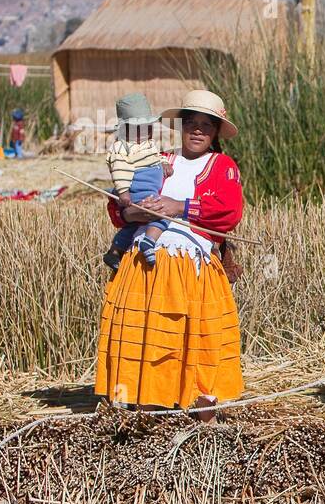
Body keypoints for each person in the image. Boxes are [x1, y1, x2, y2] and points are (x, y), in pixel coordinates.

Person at [94, 90, 245, 419]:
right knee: (143, 338)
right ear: (180, 126)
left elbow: (229, 212)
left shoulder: (222, 167)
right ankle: (144, 404)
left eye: (207, 125)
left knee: (188, 338)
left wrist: (180, 207)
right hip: (142, 264)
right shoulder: (157, 159)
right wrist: (136, 211)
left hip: (188, 266)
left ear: (217, 131)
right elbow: (120, 206)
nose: (197, 130)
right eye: (191, 123)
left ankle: (195, 404)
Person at [102, 93, 173, 270]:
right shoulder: (122, 147)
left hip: (149, 188)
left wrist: (164, 164)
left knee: (134, 224)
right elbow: (119, 170)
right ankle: (149, 241)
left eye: (148, 127)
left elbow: (156, 157)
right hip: (140, 188)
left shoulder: (148, 144)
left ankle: (115, 251)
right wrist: (124, 192)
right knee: (162, 213)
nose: (145, 132)